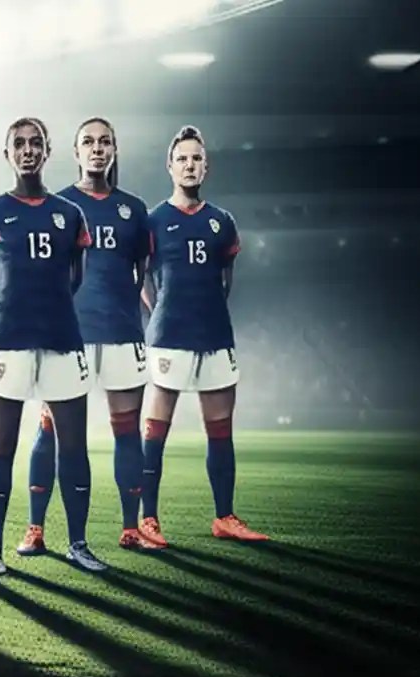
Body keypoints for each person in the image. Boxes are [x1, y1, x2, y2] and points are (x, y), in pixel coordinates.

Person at [21, 117, 164, 553]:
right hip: (70, 335)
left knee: (127, 431)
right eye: (88, 142)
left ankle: (129, 526)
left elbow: (144, 272)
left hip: (122, 333)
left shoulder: (134, 209)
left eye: (105, 142)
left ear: (114, 149)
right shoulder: (57, 204)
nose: (97, 148)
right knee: (52, 432)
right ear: (76, 152)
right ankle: (36, 528)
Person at [0, 117, 108, 574]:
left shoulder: (70, 214)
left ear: (48, 150)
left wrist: (47, 312)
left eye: (36, 143)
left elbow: (74, 276)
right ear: (7, 153)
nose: (28, 150)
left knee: (73, 446)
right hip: (7, 343)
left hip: (61, 340)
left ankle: (78, 543)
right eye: (20, 143)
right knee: (2, 445)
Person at [140, 125, 269, 545]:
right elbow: (143, 280)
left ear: (206, 166)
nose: (190, 165)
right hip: (169, 335)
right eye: (182, 158)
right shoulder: (155, 220)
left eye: (197, 158)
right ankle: (148, 519)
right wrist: (162, 309)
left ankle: (225, 518)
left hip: (215, 335)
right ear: (170, 166)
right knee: (156, 430)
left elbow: (225, 280)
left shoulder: (222, 222)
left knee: (220, 428)